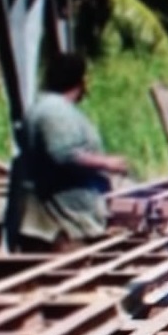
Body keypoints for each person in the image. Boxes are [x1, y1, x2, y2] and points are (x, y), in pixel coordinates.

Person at [12, 53, 131, 253]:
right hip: (64, 220)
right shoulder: (55, 111)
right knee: (73, 270)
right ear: (80, 81)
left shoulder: (46, 106)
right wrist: (107, 164)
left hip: (66, 216)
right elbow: (63, 153)